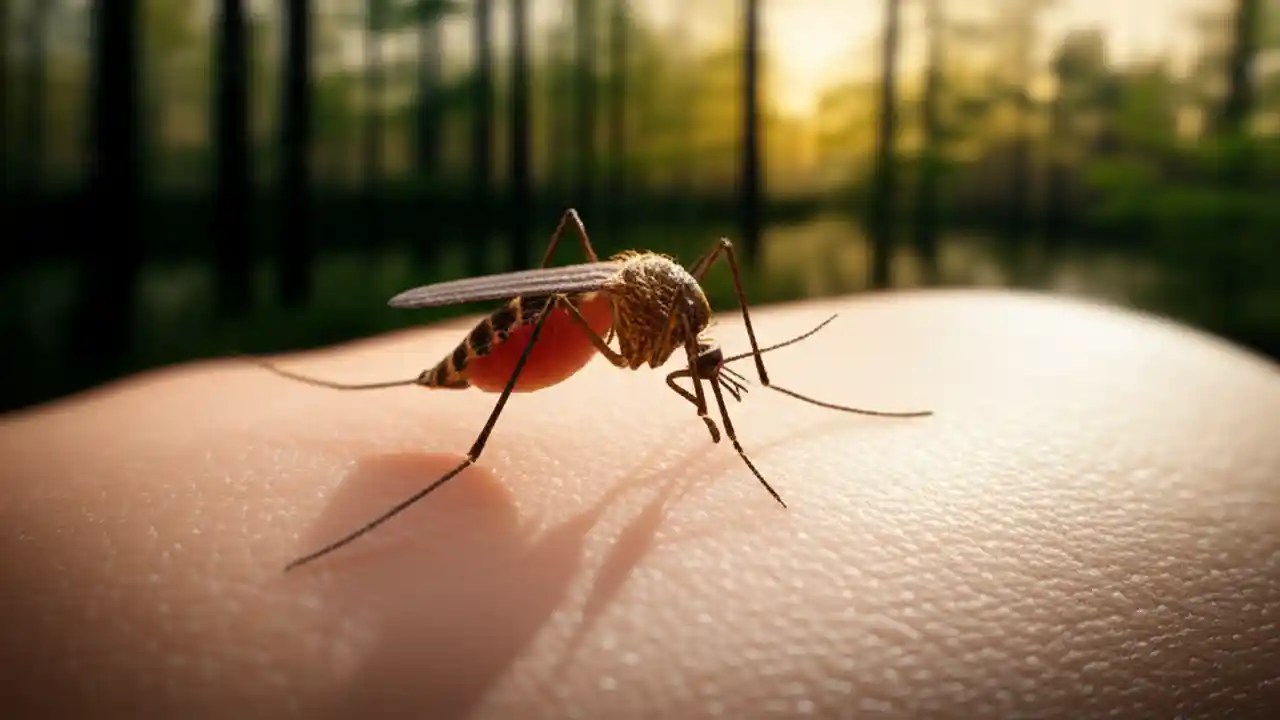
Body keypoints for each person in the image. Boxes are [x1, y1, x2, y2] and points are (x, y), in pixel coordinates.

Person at [1, 290, 1276, 717]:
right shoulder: (642, 320)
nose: (703, 375)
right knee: (557, 318)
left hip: (581, 319)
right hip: (534, 338)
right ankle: (452, 441)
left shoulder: (678, 314)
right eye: (713, 366)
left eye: (716, 367)